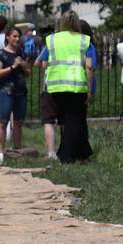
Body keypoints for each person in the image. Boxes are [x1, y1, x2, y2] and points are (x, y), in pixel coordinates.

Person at [43, 10, 94, 164]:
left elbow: (45, 63)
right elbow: (89, 67)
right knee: (73, 120)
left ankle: (75, 153)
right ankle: (67, 157)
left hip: (56, 85)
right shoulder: (84, 40)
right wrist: (90, 90)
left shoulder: (51, 40)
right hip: (76, 86)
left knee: (65, 120)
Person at [0, 25, 32, 162]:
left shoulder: (21, 52)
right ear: (8, 37)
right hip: (6, 91)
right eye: (14, 36)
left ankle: (17, 149)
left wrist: (24, 66)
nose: (17, 38)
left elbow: (28, 73)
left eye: (18, 36)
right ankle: (0, 152)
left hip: (20, 92)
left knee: (18, 122)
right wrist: (13, 66)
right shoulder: (0, 54)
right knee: (3, 122)